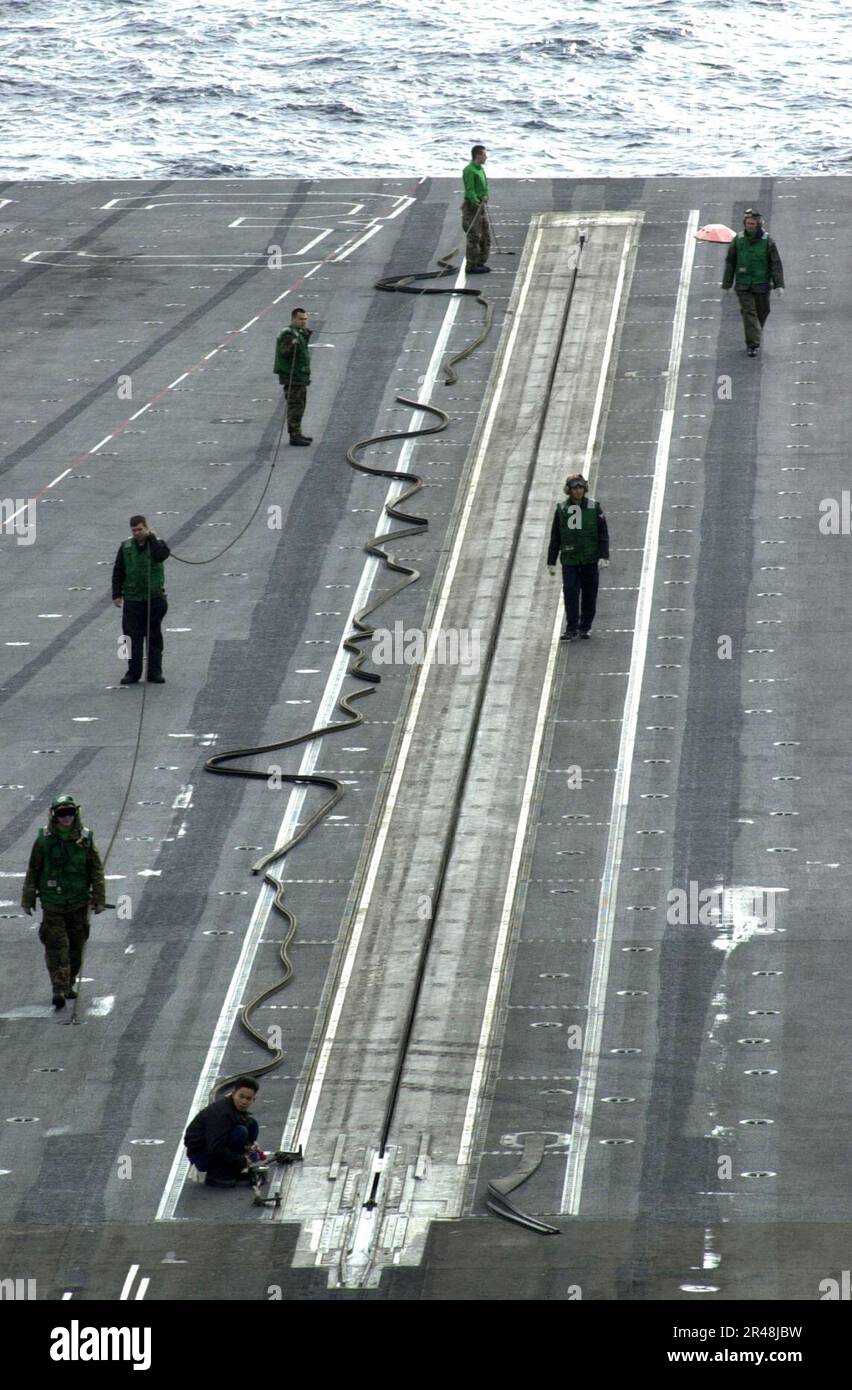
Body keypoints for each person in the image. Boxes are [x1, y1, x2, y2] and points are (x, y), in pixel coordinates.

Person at [21, 796, 106, 1009]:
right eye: (61, 814)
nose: (66, 818)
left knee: (76, 947)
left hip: (78, 903)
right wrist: (28, 898)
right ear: (54, 815)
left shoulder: (85, 839)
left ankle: (69, 982)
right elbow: (33, 870)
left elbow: (95, 869)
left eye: (70, 813)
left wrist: (98, 898)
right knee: (58, 946)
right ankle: (57, 988)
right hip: (53, 903)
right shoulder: (44, 840)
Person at [547, 473, 610, 641]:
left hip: (589, 558)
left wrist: (604, 555)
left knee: (589, 594)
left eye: (581, 487)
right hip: (570, 559)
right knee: (570, 593)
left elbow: (603, 533)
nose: (578, 491)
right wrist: (551, 561)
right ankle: (571, 628)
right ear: (568, 490)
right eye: (575, 487)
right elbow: (556, 536)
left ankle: (585, 627)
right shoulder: (561, 509)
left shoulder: (594, 507)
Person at [112, 515, 171, 684]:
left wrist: (151, 538)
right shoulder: (126, 547)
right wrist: (117, 594)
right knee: (131, 638)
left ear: (146, 527)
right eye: (134, 530)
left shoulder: (157, 544)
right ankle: (133, 672)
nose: (137, 533)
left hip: (154, 599)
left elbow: (161, 556)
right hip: (133, 600)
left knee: (153, 637)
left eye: (140, 529)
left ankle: (154, 673)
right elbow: (118, 571)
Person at [722, 208, 785, 357]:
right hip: (743, 284)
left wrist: (779, 284)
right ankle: (753, 344)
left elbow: (775, 263)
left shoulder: (767, 241)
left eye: (752, 223)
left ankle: (754, 334)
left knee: (763, 312)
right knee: (749, 313)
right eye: (748, 223)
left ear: (758, 224)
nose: (749, 226)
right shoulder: (738, 240)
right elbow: (730, 262)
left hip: (762, 284)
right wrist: (727, 283)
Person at [184, 1077, 266, 1188]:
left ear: (253, 1100)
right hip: (200, 1154)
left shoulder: (235, 1110)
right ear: (233, 1094)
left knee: (252, 1124)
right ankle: (217, 1174)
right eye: (241, 1097)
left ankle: (231, 1169)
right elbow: (215, 1148)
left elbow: (245, 1123)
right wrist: (242, 1160)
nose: (244, 1102)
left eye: (248, 1098)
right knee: (240, 1132)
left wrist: (250, 1145)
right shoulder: (221, 1114)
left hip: (211, 1148)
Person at [273, 307, 313, 445]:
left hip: (299, 376)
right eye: (301, 319)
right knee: (295, 406)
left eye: (305, 319)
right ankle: (294, 435)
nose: (303, 322)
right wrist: (291, 345)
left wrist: (305, 336)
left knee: (300, 405)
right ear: (293, 319)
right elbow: (284, 352)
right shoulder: (288, 334)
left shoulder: (298, 333)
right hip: (292, 376)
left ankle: (298, 433)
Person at [461, 144, 491, 274]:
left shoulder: (480, 169)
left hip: (481, 206)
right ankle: (471, 266)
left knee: (485, 235)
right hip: (473, 207)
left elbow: (485, 186)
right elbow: (470, 190)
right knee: (474, 236)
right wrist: (476, 201)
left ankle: (480, 262)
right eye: (484, 154)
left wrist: (485, 196)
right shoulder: (469, 170)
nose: (486, 157)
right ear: (478, 155)